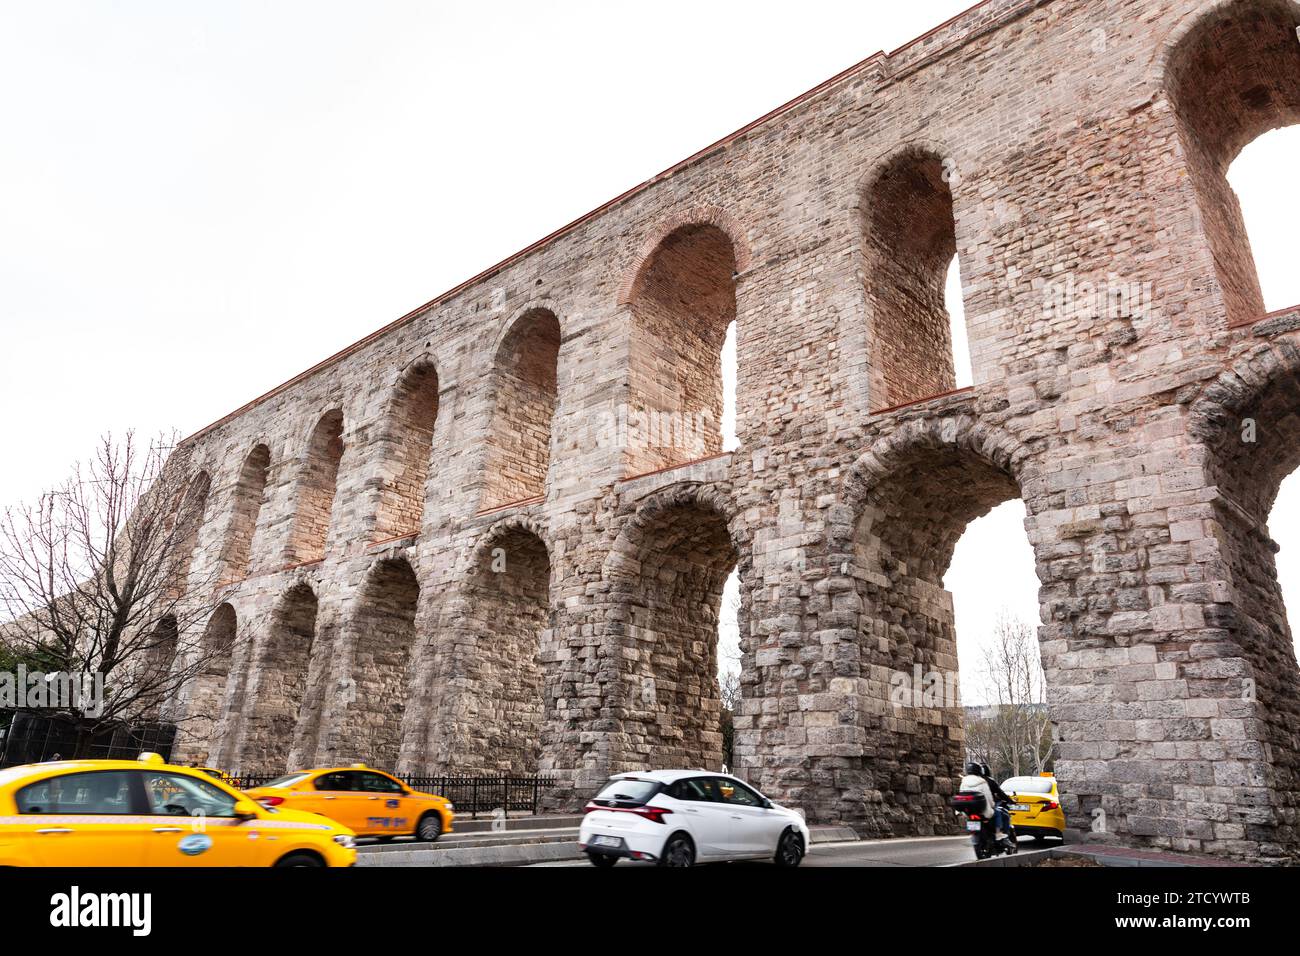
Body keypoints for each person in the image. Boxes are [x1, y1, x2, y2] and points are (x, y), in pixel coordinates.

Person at [961, 761, 1014, 847]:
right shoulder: (983, 782)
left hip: (969, 810)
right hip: (983, 810)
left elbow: (961, 793)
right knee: (998, 814)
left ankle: (974, 834)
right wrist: (992, 805)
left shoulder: (964, 781)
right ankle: (998, 833)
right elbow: (988, 796)